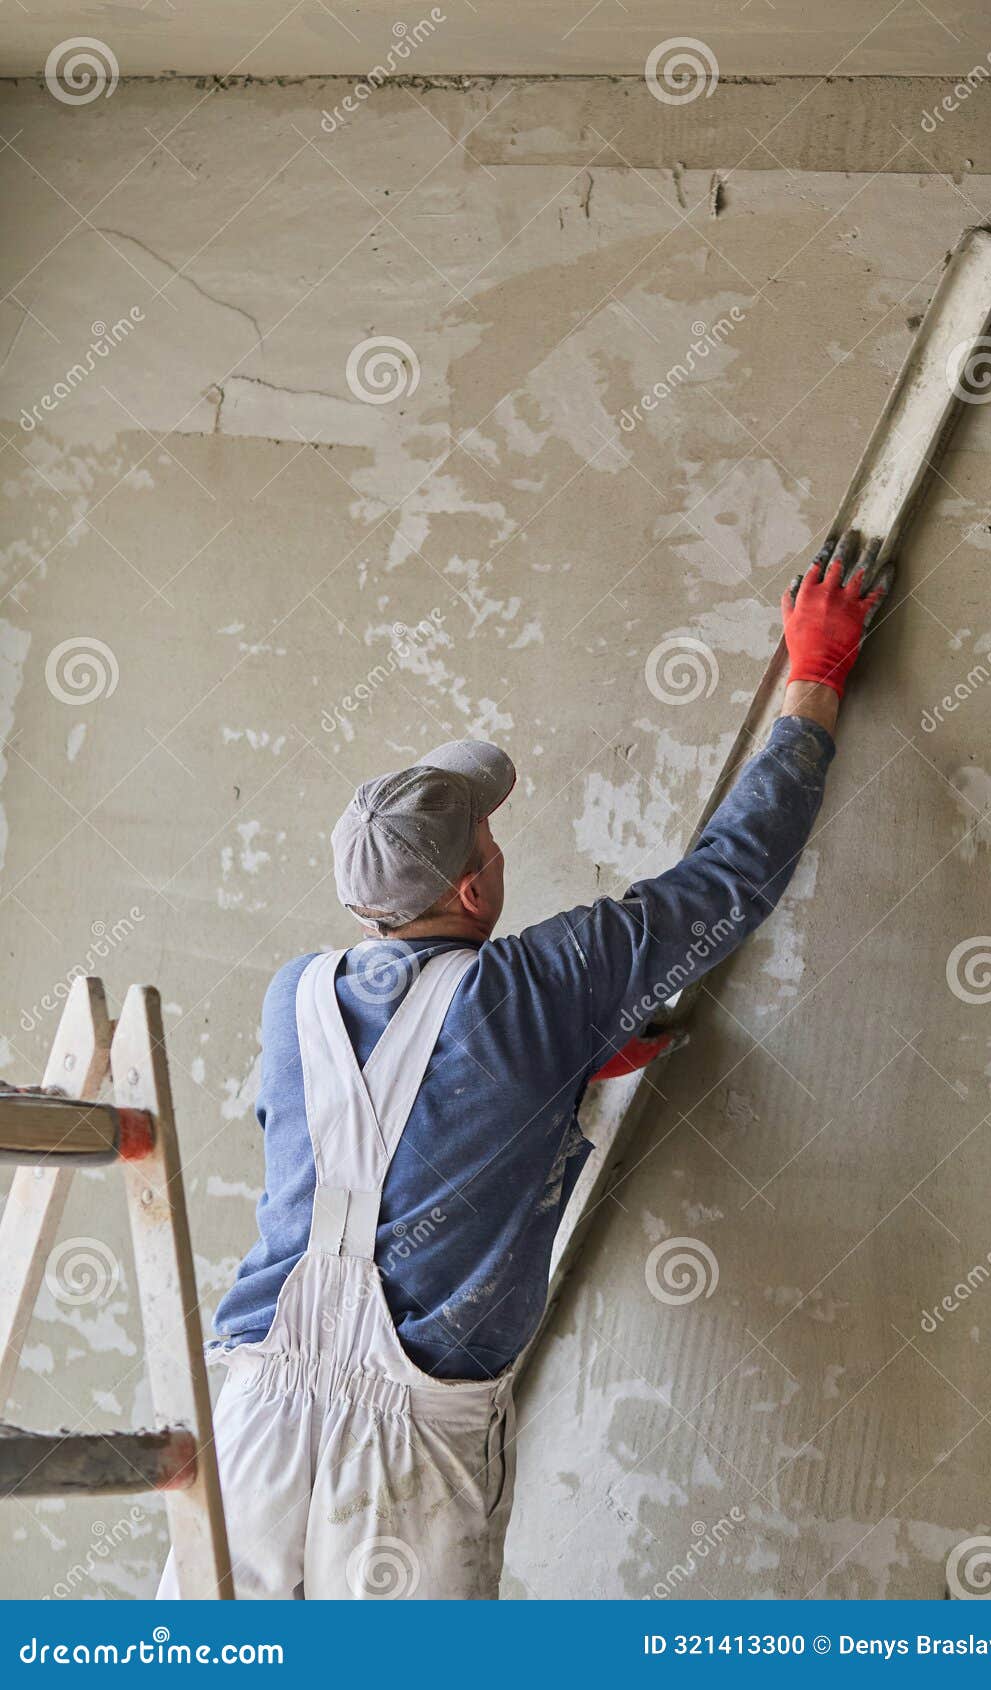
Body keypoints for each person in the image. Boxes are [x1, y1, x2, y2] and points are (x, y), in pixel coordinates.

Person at [157, 534, 887, 1600]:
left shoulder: (294, 996)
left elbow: (388, 1138)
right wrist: (814, 678)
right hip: (407, 1448)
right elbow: (729, 879)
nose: (499, 850)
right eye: (489, 844)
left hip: (254, 1411)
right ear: (470, 892)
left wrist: (560, 1068)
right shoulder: (541, 985)